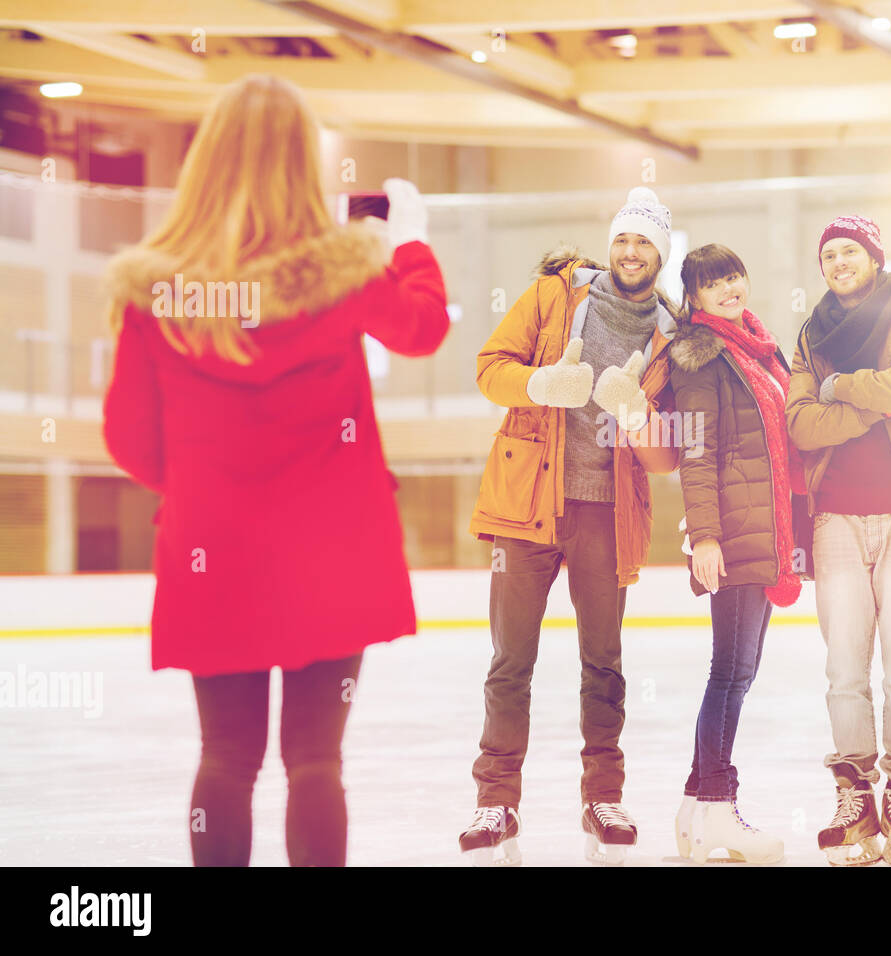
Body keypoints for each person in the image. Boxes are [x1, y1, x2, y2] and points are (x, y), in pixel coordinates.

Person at [101, 74, 451, 867]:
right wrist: (411, 242)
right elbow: (424, 327)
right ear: (304, 166)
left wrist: (204, 487)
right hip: (332, 553)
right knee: (316, 763)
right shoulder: (348, 274)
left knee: (225, 759)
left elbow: (130, 441)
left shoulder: (157, 294)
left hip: (210, 552)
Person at [461, 187, 680, 866]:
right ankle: (495, 800)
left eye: (644, 242)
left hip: (606, 515)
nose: (631, 252)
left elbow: (668, 456)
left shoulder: (672, 333)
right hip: (529, 505)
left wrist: (639, 418)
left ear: (660, 255)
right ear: (610, 245)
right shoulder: (555, 297)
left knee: (604, 663)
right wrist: (537, 385)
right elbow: (489, 367)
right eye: (623, 239)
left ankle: (603, 795)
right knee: (510, 662)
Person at [785, 215, 891, 866]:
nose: (837, 261)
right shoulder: (812, 334)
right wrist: (878, 403)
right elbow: (802, 425)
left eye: (849, 250)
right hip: (835, 519)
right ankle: (853, 793)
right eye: (827, 253)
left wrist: (845, 390)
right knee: (844, 669)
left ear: (875, 257)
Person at [668, 244, 804, 866]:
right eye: (712, 282)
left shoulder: (758, 348)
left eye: (733, 276)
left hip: (765, 531)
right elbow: (696, 453)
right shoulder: (700, 357)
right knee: (730, 673)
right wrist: (706, 537)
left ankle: (697, 807)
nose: (728, 288)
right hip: (734, 533)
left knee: (737, 672)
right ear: (694, 297)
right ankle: (718, 806)